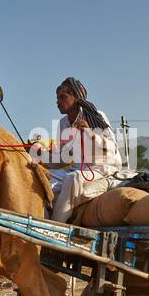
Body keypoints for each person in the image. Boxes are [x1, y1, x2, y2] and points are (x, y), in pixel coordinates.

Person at [36, 77, 124, 222]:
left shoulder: (96, 116)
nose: (57, 102)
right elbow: (64, 158)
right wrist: (42, 156)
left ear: (76, 97)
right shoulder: (63, 123)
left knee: (73, 178)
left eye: (63, 97)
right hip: (77, 168)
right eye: (57, 98)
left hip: (103, 167)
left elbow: (112, 149)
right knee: (43, 178)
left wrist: (90, 134)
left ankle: (57, 227)